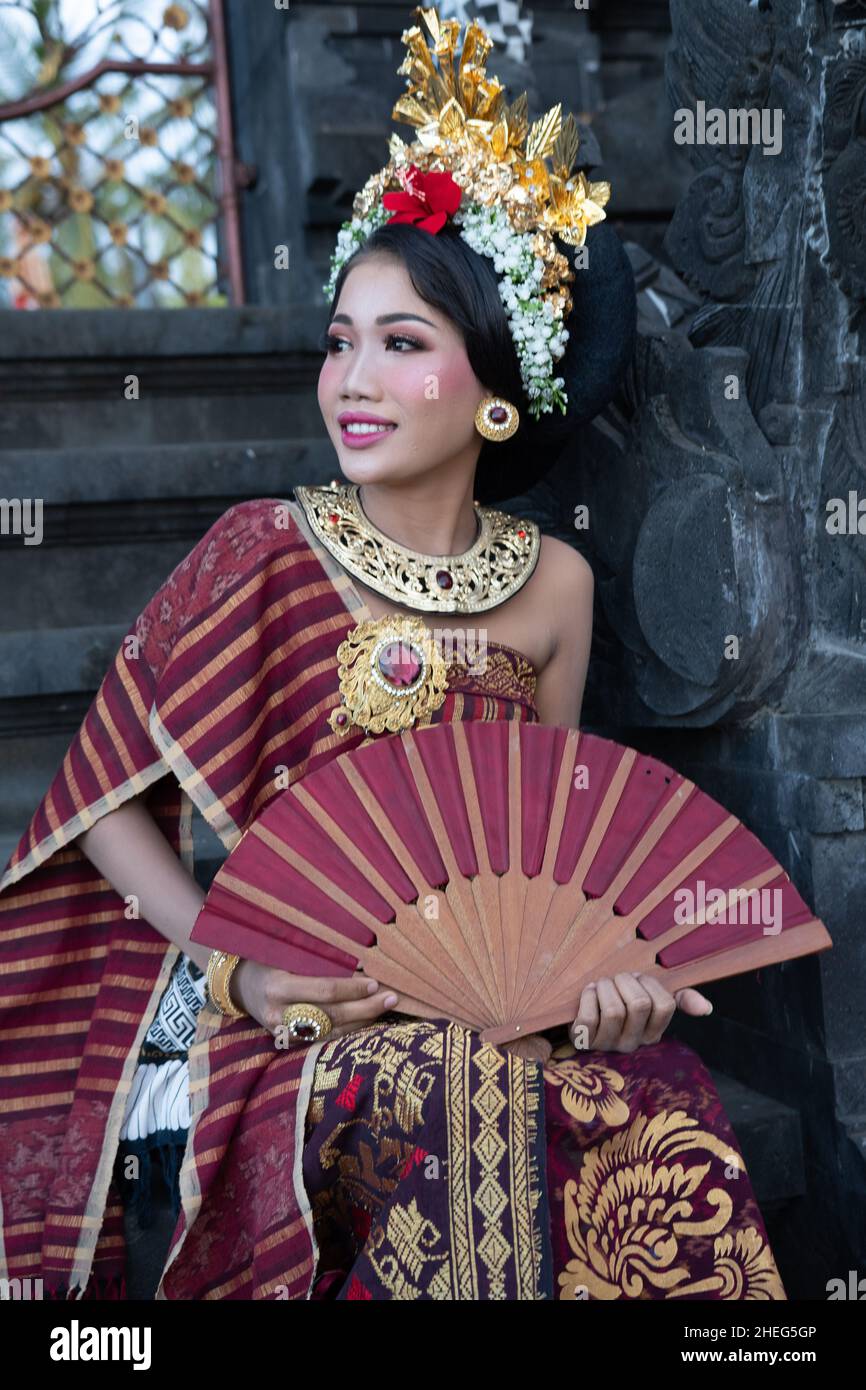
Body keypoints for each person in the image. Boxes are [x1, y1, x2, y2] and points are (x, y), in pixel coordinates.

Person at [0, 6, 786, 1300]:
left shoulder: (556, 585)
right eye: (340, 339)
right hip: (302, 1020)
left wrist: (607, 970)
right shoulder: (260, 547)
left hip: (489, 993)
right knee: (466, 1095)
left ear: (494, 387)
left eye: (402, 344)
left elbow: (553, 844)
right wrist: (236, 965)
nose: (352, 378)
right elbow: (98, 808)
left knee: (660, 1107)